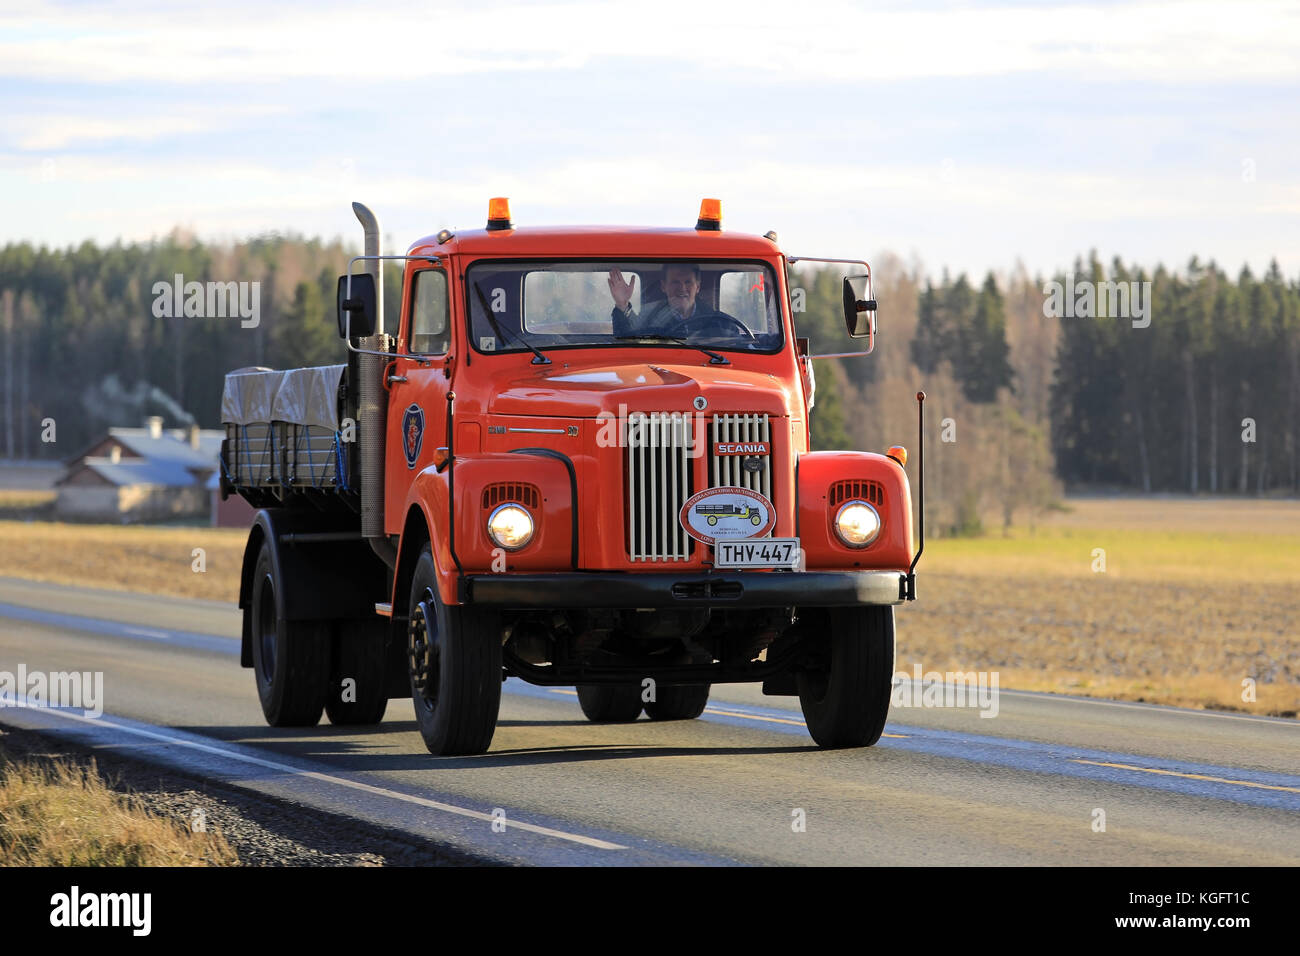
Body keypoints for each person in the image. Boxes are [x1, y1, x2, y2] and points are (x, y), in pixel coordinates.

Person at [608, 263, 740, 339]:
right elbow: (626, 341)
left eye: (688, 282)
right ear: (663, 286)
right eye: (675, 282)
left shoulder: (721, 324)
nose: (682, 288)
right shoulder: (647, 319)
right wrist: (622, 304)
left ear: (698, 287)